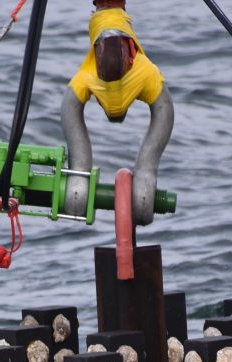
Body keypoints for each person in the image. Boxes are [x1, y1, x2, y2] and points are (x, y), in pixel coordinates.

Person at [62, 1, 173, 225]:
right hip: (131, 69)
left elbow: (69, 108)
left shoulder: (86, 78)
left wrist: (79, 174)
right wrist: (146, 174)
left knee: (78, 185)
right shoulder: (145, 74)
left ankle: (80, 175)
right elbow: (164, 110)